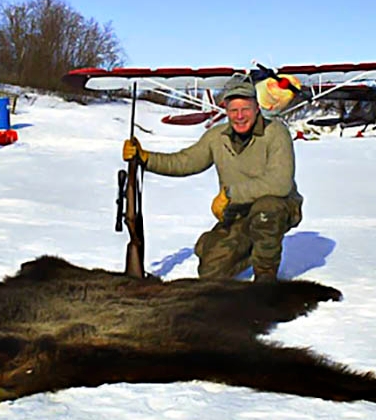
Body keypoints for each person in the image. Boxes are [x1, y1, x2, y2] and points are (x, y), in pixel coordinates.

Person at [122, 74, 302, 282]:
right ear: (226, 110)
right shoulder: (217, 137)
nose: (239, 116)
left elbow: (279, 184)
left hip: (279, 206)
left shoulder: (276, 132)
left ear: (256, 108)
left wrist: (230, 194)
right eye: (233, 110)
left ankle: (265, 279)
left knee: (267, 210)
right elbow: (186, 161)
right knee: (210, 270)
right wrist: (146, 158)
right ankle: (252, 246)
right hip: (238, 211)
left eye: (245, 109)